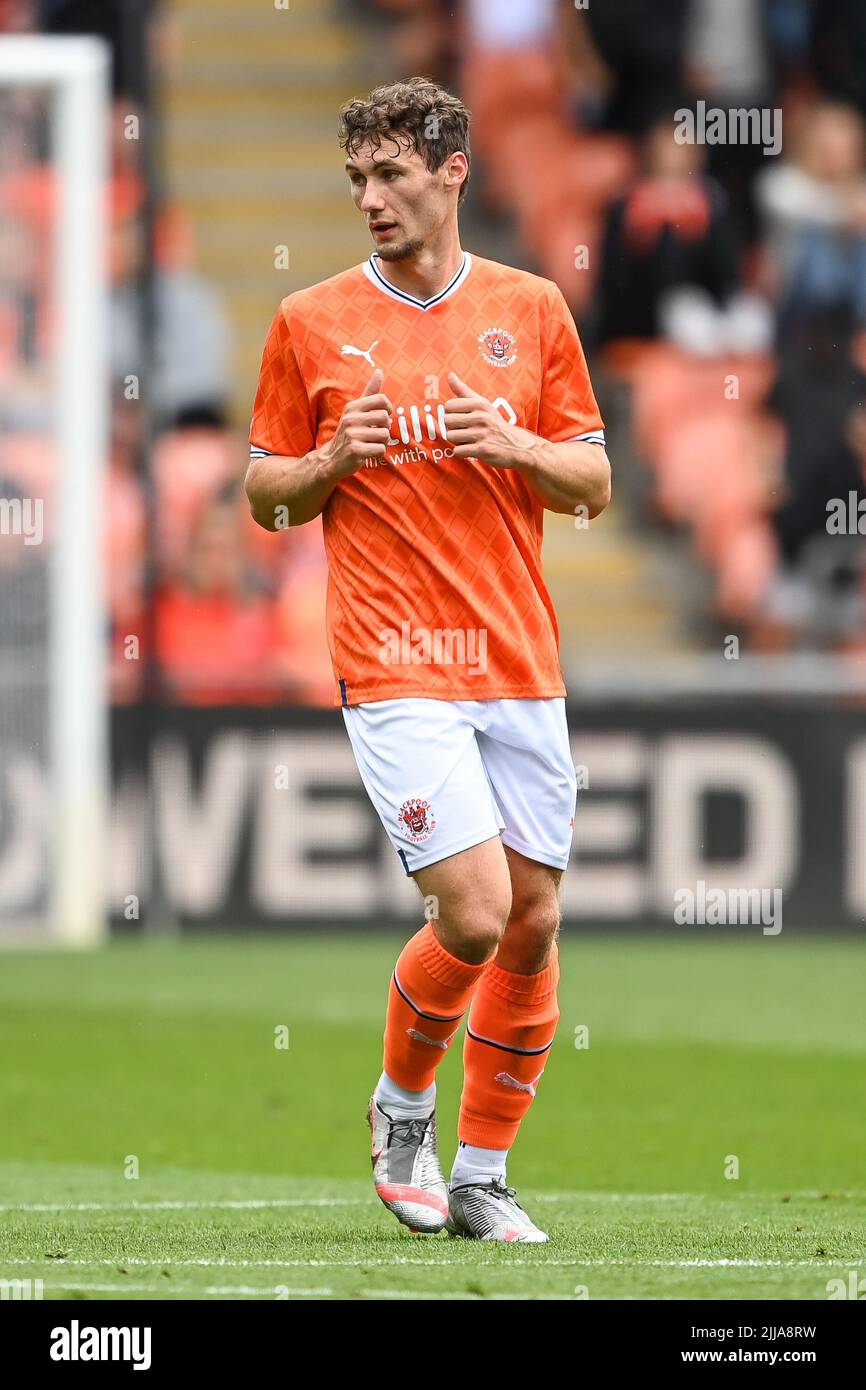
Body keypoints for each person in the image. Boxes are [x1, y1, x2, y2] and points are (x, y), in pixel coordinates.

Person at [245, 77, 610, 1243]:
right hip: (394, 655)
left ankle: (482, 1173)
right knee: (473, 911)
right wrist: (326, 465)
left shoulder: (530, 308)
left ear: (453, 170)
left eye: (391, 173)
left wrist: (513, 444)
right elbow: (265, 495)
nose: (370, 197)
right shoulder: (308, 321)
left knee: (533, 917)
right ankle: (402, 1104)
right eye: (357, 177)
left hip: (517, 657)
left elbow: (594, 483)